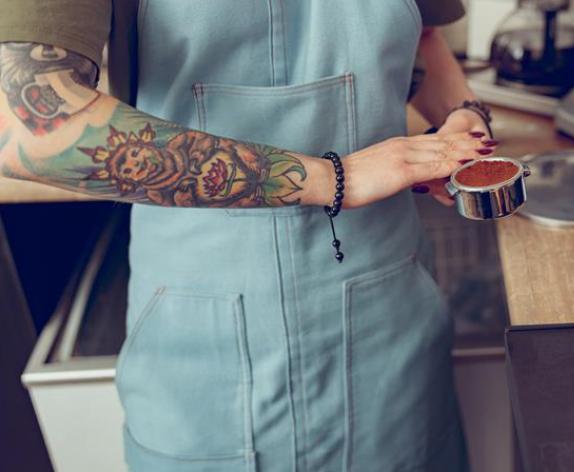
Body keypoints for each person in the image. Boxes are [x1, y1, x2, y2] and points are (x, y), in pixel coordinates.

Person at [0, 1, 494, 470]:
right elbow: (32, 129)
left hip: (392, 335)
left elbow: (424, 37)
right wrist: (333, 177)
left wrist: (465, 116)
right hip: (204, 351)